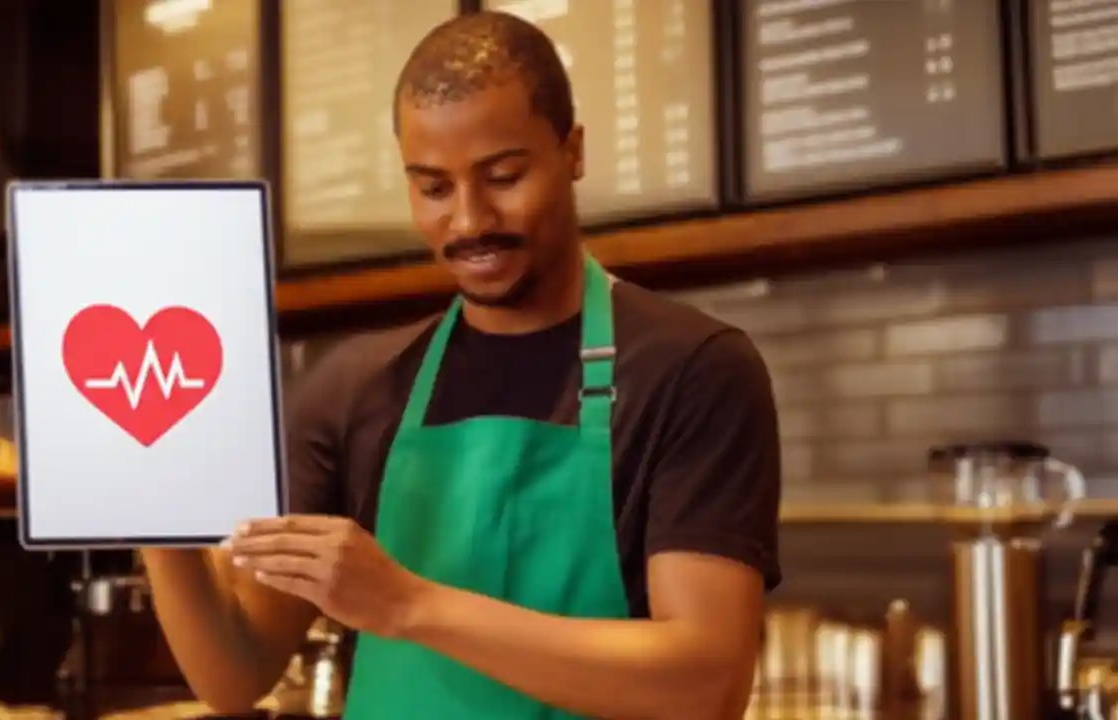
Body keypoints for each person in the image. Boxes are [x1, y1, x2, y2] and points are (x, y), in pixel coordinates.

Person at [142, 10, 781, 719]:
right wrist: (150, 515)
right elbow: (234, 675)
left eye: (503, 176)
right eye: (434, 188)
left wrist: (407, 604)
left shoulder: (692, 371)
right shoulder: (354, 388)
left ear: (573, 152)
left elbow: (705, 686)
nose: (470, 220)